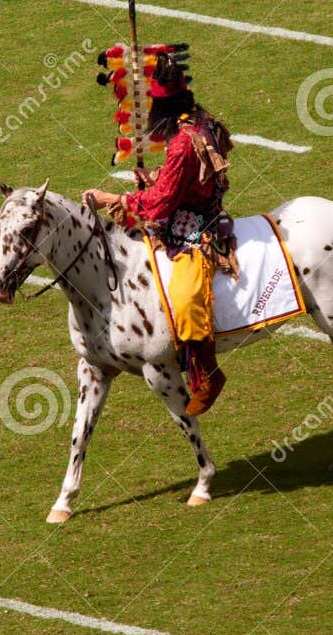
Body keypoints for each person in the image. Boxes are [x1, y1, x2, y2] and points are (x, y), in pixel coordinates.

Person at [83, 56, 235, 415]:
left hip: (195, 227)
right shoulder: (199, 118)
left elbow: (162, 204)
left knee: (185, 297)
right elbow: (176, 182)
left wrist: (114, 199)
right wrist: (155, 177)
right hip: (196, 204)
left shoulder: (184, 141)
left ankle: (208, 373)